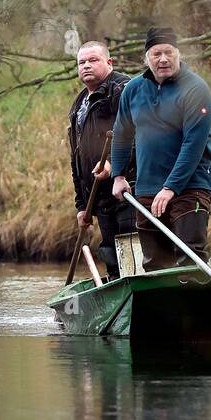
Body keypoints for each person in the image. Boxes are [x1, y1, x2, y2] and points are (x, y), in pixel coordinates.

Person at [110, 26, 211, 270]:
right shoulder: (133, 89)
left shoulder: (196, 89)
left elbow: (194, 145)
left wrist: (171, 187)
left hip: (191, 187)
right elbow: (122, 134)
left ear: (178, 54)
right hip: (147, 188)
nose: (163, 59)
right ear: (146, 58)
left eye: (169, 52)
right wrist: (118, 174)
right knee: (155, 264)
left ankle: (196, 304)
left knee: (190, 258)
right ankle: (162, 308)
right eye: (156, 54)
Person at [68, 40, 131, 280]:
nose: (86, 66)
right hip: (100, 194)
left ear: (109, 62)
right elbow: (77, 159)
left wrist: (116, 166)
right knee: (111, 254)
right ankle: (118, 303)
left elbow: (138, 134)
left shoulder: (123, 89)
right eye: (81, 62)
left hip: (128, 189)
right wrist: (82, 205)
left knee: (132, 248)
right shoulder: (79, 105)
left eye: (93, 60)